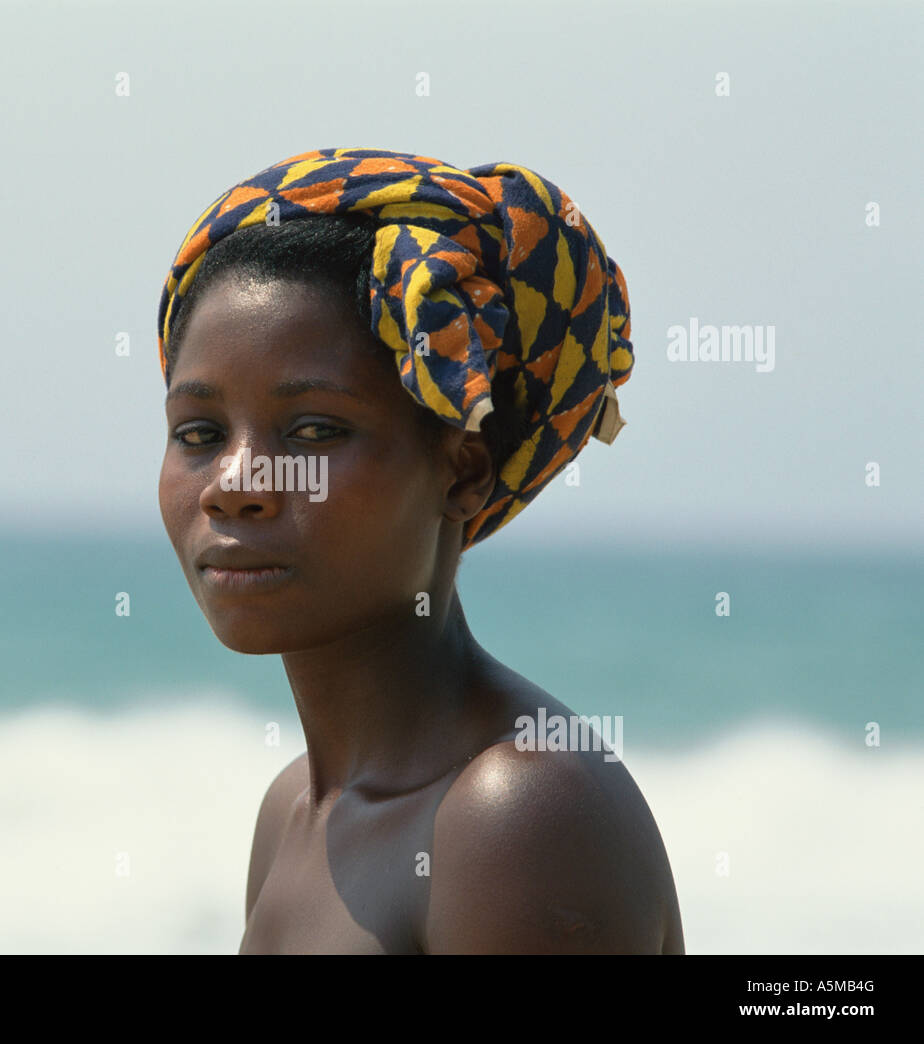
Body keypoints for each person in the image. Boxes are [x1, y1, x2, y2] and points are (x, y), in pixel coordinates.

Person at [156, 147, 683, 953]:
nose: (234, 483)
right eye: (199, 433)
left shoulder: (512, 817)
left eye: (314, 431)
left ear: (462, 470)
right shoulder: (294, 813)